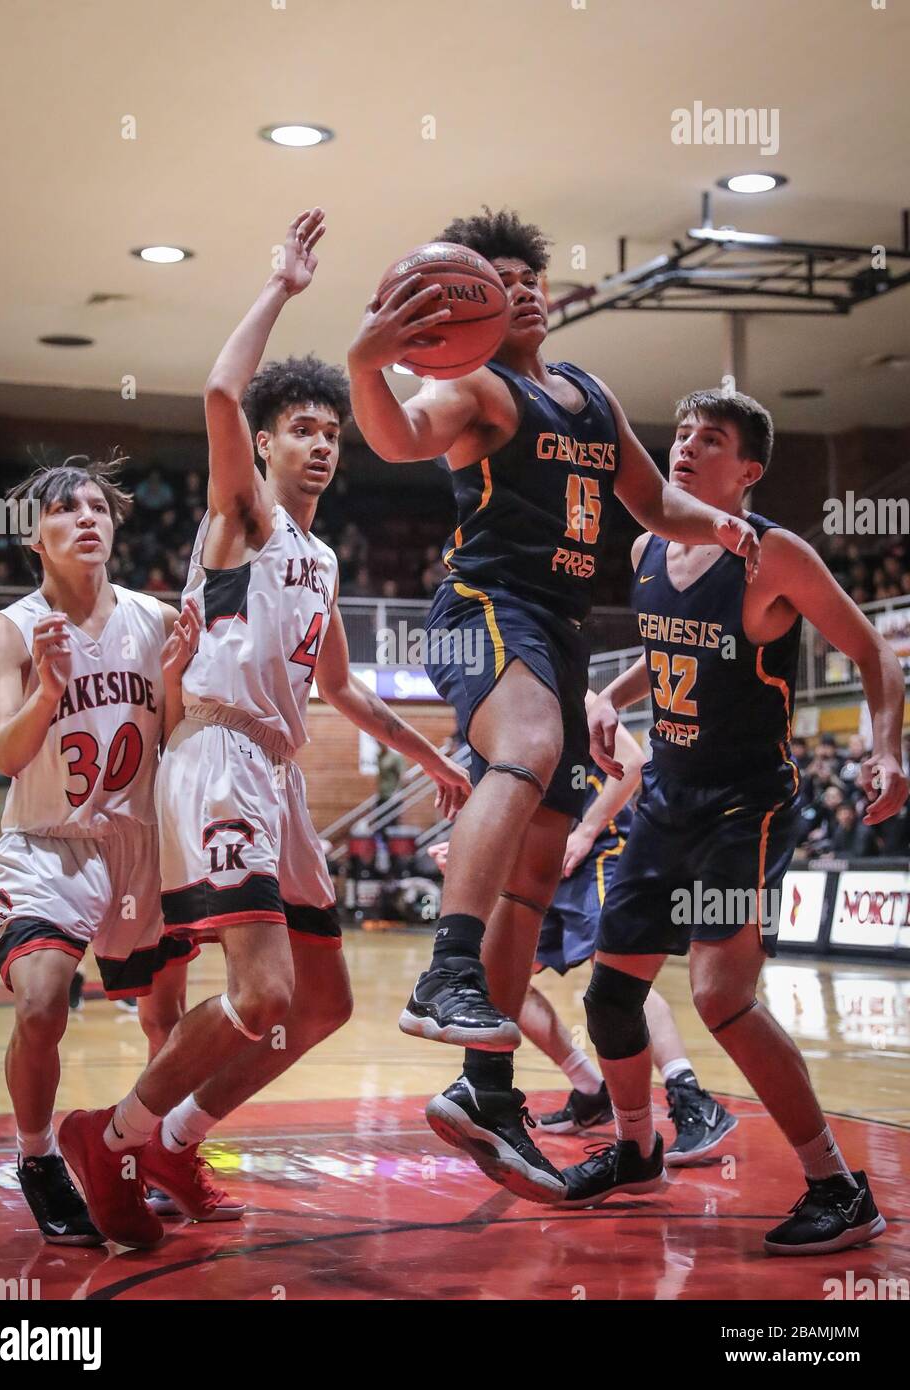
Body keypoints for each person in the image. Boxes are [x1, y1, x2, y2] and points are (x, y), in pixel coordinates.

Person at [59, 208, 470, 1249]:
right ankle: (111, 1138)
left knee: (321, 1003)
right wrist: (283, 285)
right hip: (217, 752)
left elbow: (344, 691)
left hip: (277, 770)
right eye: (302, 430)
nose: (322, 445)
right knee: (262, 992)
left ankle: (174, 1139)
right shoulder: (243, 516)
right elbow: (217, 392)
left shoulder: (321, 563)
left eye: (332, 433)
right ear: (267, 444)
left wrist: (432, 756)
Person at [348, 206, 760, 1201]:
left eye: (528, 278)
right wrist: (366, 364)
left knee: (535, 873)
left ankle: (486, 1090)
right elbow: (399, 435)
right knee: (527, 746)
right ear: (469, 305)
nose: (521, 291)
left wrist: (721, 524)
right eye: (497, 281)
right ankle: (447, 971)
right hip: (485, 608)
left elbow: (653, 502)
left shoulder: (587, 394)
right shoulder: (472, 385)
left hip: (560, 631)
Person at [562, 388, 906, 1255]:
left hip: (743, 809)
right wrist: (608, 694)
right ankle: (637, 1150)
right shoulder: (648, 545)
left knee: (720, 996)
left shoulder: (772, 556)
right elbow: (667, 650)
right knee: (610, 997)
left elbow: (872, 651)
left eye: (709, 439)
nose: (684, 448)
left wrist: (887, 749)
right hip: (666, 800)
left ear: (748, 470)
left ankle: (839, 1187)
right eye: (681, 435)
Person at [0, 458, 201, 1246]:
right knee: (41, 1004)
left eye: (97, 507)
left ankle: (150, 1152)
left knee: (165, 1017)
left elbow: (177, 736)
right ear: (34, 535)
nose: (86, 519)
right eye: (66, 509)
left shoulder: (157, 619)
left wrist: (174, 682)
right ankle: (39, 1155)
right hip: (50, 841)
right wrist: (48, 688)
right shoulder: (8, 632)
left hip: (141, 841)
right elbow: (7, 754)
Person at [429, 721, 736, 1166]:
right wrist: (469, 849)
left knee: (615, 975)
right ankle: (591, 1088)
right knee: (504, 978)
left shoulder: (566, 695)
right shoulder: (492, 712)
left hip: (597, 851)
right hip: (539, 857)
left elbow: (632, 761)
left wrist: (588, 830)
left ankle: (689, 1094)